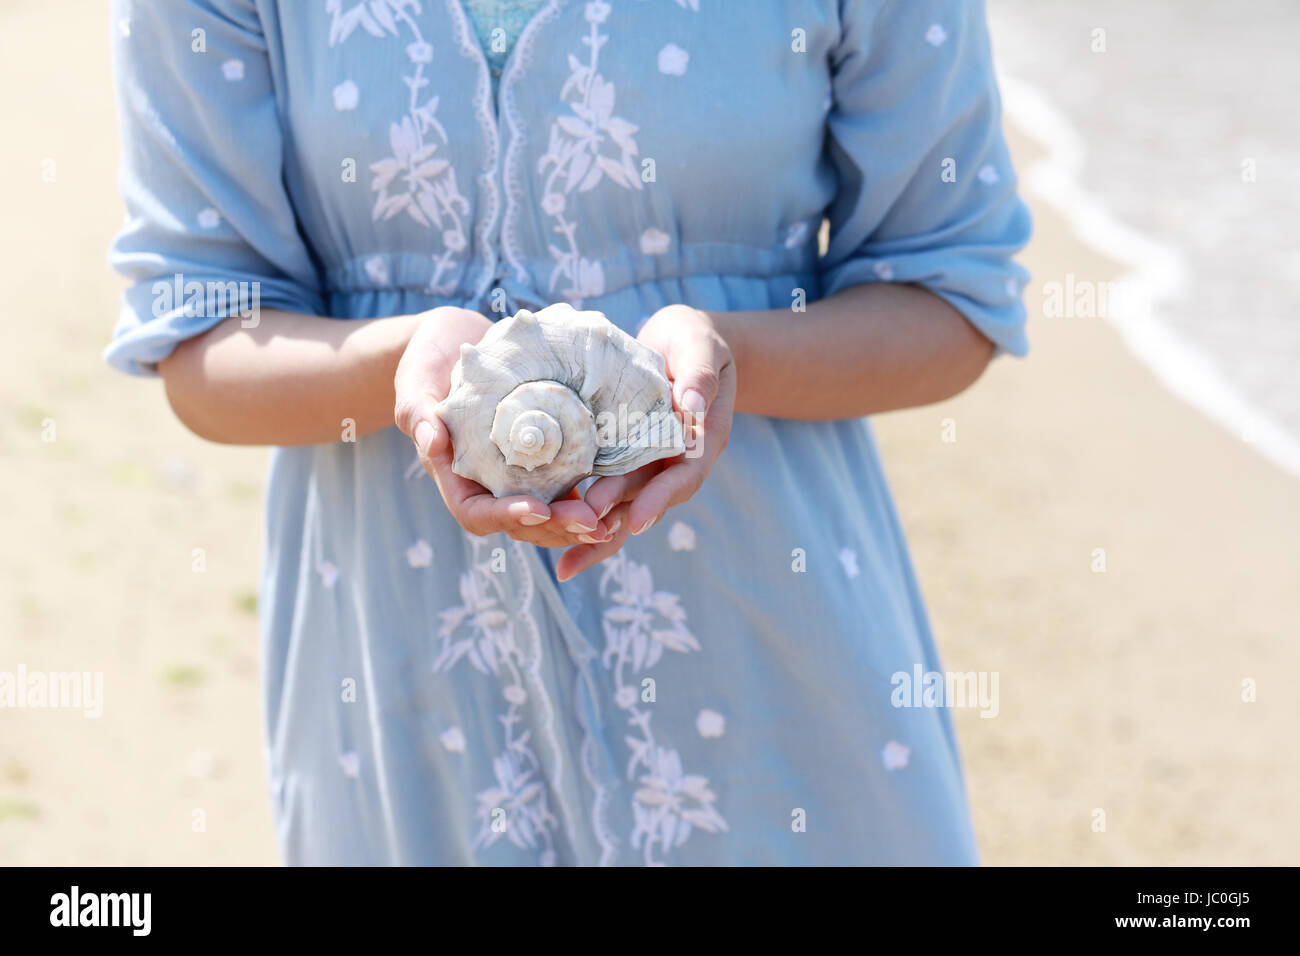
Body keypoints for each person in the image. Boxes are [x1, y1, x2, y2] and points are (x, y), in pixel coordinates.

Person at [107, 0, 1031, 865]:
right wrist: (401, 363)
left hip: (771, 666)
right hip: (401, 683)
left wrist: (728, 359)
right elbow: (201, 339)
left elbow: (951, 293)